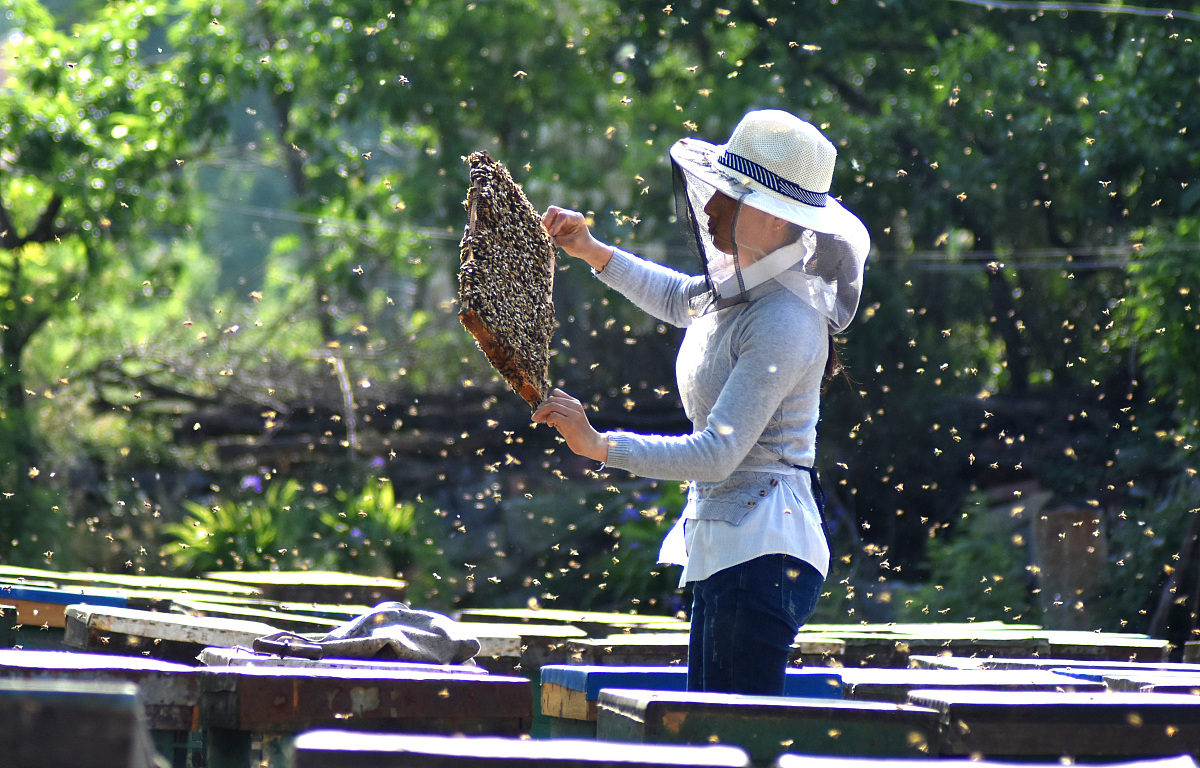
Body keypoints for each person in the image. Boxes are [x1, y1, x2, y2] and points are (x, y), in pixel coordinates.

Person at [533, 109, 870, 695]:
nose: (709, 205)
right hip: (733, 544)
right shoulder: (745, 292)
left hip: (764, 552)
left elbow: (718, 454)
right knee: (707, 735)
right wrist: (589, 249)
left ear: (771, 213)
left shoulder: (785, 317)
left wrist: (599, 445)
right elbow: (674, 296)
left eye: (728, 195)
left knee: (731, 739)